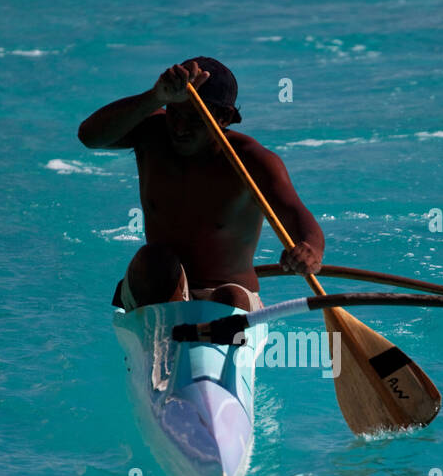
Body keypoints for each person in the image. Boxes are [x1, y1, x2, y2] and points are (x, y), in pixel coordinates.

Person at [77, 57, 325, 312]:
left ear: (225, 117)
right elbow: (89, 137)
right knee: (154, 261)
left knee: (230, 297)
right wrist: (154, 96)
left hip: (227, 295)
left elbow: (297, 215)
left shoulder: (253, 161)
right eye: (174, 113)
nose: (180, 128)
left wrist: (310, 250)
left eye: (194, 119)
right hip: (159, 290)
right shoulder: (150, 133)